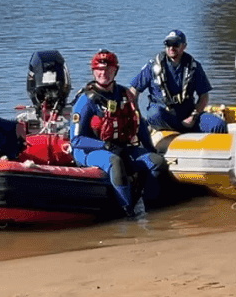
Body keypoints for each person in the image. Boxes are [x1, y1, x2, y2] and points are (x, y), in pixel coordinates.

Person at [71, 49, 166, 215]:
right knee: (115, 163)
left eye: (108, 69)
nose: (103, 73)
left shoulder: (125, 95)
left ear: (115, 70)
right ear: (93, 71)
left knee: (156, 161)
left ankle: (152, 211)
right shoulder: (86, 100)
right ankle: (128, 212)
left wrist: (150, 149)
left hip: (121, 147)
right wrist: (105, 145)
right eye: (99, 69)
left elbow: (140, 124)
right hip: (90, 150)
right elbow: (76, 140)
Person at [130, 31, 229, 135]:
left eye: (175, 44)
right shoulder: (153, 66)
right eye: (168, 44)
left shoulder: (194, 66)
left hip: (188, 116)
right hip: (163, 116)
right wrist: (137, 117)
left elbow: (204, 96)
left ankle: (190, 134)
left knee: (219, 125)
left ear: (184, 46)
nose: (171, 48)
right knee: (155, 113)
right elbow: (133, 91)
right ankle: (167, 131)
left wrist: (193, 116)